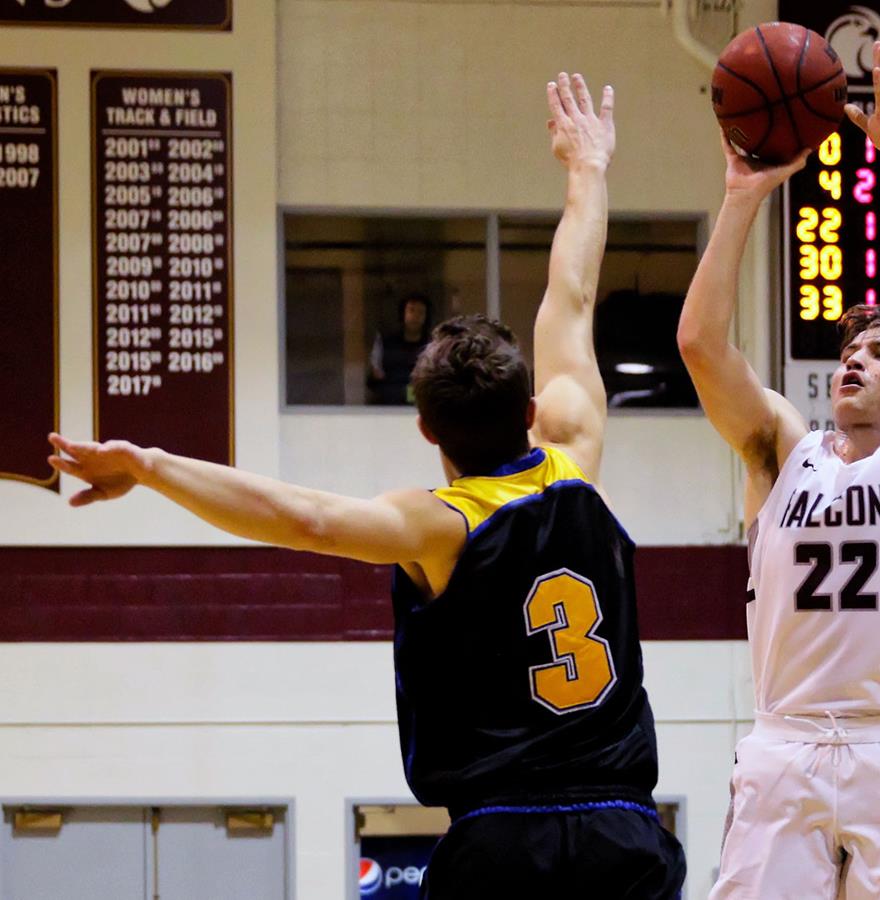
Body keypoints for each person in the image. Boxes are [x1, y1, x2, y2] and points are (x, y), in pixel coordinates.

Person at [46, 73, 685, 899]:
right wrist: (587, 170)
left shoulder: (439, 528)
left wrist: (148, 464)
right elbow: (573, 293)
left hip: (502, 834)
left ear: (426, 430)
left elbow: (300, 518)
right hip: (623, 828)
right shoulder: (574, 453)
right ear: (530, 411)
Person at [680, 41, 880, 898]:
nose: (855, 360)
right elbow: (700, 345)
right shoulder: (784, 449)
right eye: (850, 352)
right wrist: (742, 197)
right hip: (783, 743)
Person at [369, 292, 433, 405]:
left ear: (426, 317)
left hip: (421, 403)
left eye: (421, 312)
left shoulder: (432, 344)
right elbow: (375, 375)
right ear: (403, 313)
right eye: (411, 310)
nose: (415, 316)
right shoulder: (385, 341)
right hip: (389, 403)